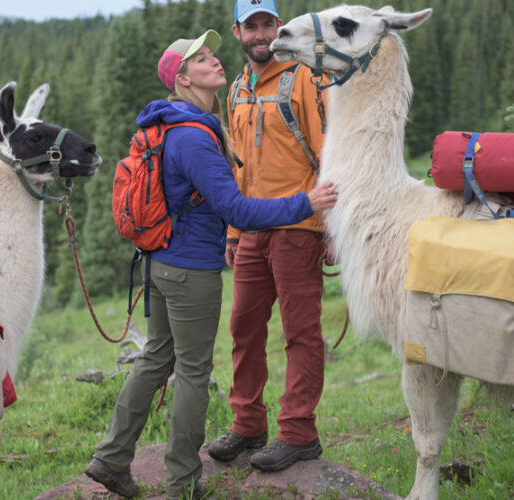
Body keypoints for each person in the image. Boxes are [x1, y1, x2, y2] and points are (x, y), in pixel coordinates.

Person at [85, 29, 337, 500]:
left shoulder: (168, 125)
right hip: (191, 274)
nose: (214, 61)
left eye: (212, 55)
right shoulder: (195, 138)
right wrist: (307, 203)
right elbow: (237, 210)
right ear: (182, 79)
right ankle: (182, 482)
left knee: (155, 358)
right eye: (201, 59)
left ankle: (111, 458)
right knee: (192, 372)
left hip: (160, 263)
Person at [206, 0, 330, 473]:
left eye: (267, 25)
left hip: (299, 227)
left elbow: (327, 153)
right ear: (237, 31)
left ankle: (299, 434)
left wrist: (330, 227)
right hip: (252, 230)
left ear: (280, 26)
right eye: (251, 26)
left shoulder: (305, 78)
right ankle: (248, 425)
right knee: (244, 329)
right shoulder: (237, 87)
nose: (261, 35)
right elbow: (238, 168)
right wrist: (234, 232)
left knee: (301, 333)